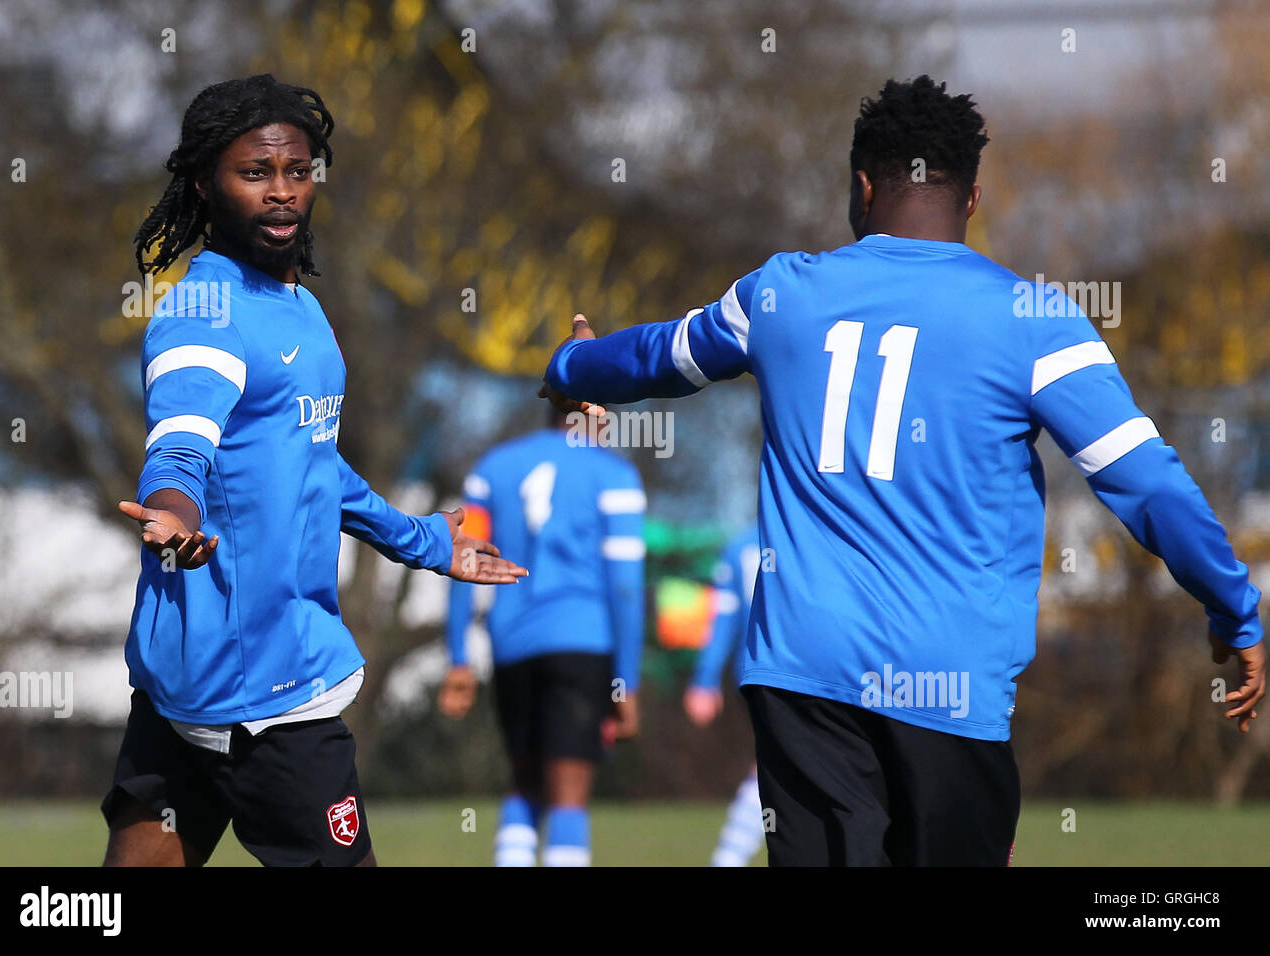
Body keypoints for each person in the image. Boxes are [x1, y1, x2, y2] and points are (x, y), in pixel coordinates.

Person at [539, 75, 1266, 866]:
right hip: (949, 685)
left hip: (805, 676)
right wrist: (1233, 607)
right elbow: (1147, 482)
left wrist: (573, 364)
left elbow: (657, 355)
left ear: (861, 186)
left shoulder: (779, 294)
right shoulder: (1035, 320)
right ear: (973, 197)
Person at [104, 74, 526, 868]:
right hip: (266, 694)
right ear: (205, 183)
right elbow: (180, 446)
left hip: (185, 674)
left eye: (297, 171)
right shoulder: (203, 315)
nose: (283, 191)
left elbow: (311, 462)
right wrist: (175, 512)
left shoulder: (295, 300)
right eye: (255, 173)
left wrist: (422, 540)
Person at [438, 407, 646, 866]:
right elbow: (626, 587)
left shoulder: (492, 468)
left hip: (512, 645)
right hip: (582, 643)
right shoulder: (614, 475)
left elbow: (462, 563)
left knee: (525, 780)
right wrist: (626, 681)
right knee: (569, 792)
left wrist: (458, 658)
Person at [684, 526, 765, 867]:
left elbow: (721, 619)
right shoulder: (818, 533)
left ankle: (727, 858)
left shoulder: (739, 546)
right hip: (808, 673)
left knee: (771, 765)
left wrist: (704, 680)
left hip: (753, 674)